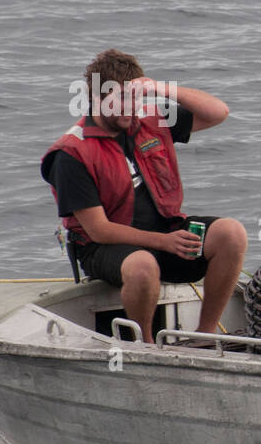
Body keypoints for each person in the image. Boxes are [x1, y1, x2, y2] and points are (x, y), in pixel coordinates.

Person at [41, 48, 248, 342]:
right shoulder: (71, 153)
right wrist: (164, 242)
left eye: (135, 98)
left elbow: (218, 112)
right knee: (143, 265)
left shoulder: (151, 118)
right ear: (96, 99)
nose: (129, 108)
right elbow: (99, 230)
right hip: (104, 247)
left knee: (231, 233)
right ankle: (147, 346)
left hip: (166, 232)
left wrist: (160, 88)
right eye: (120, 101)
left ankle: (205, 335)